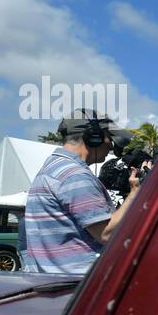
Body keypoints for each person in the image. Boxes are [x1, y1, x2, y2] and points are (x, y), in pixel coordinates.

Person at [20, 109, 140, 275]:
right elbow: (107, 234)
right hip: (76, 285)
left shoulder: (53, 168)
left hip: (56, 283)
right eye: (109, 137)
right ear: (94, 137)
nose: (111, 145)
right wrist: (135, 195)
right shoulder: (75, 176)